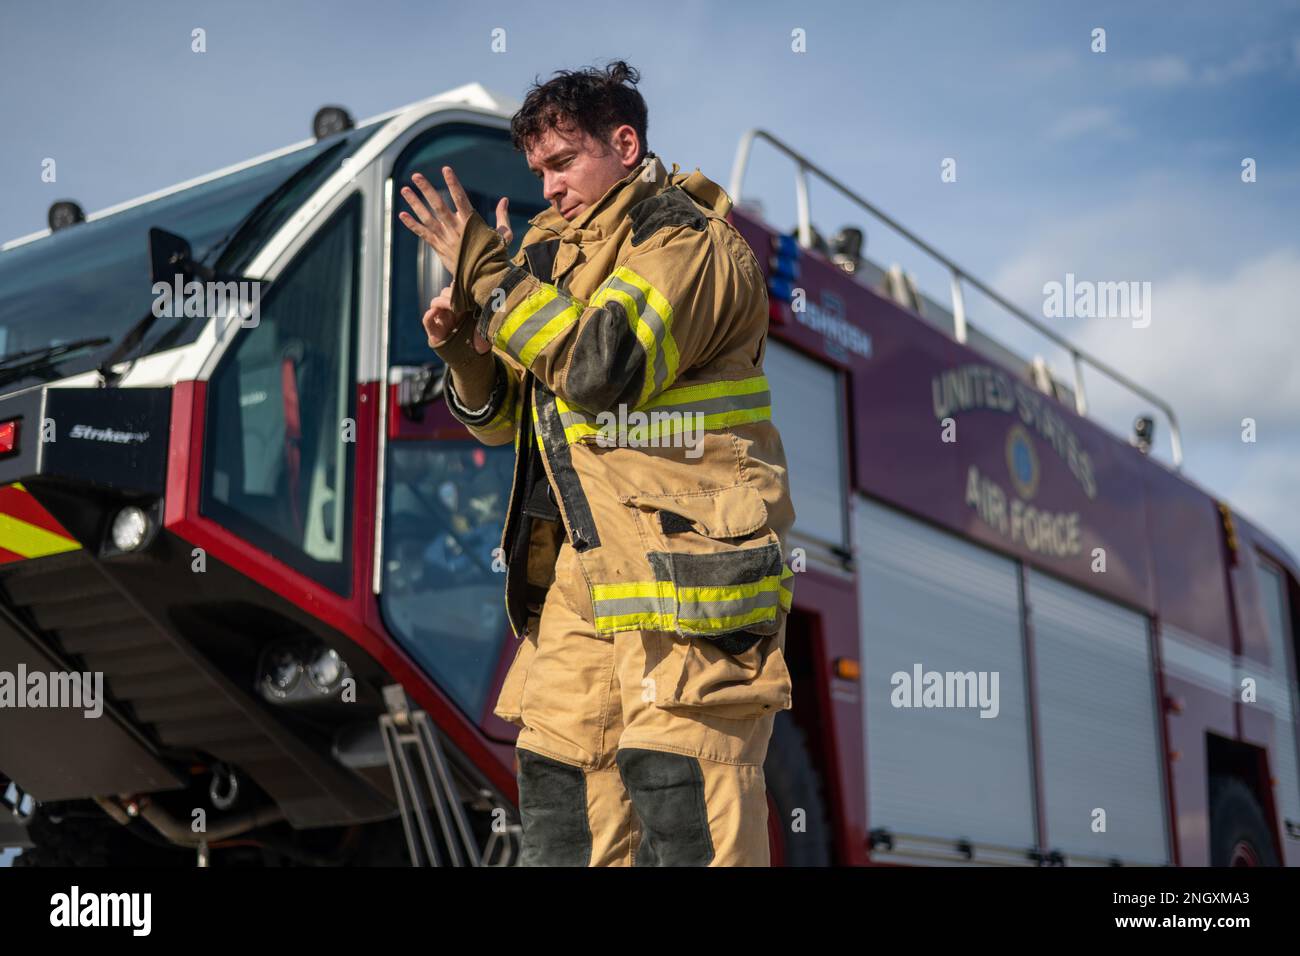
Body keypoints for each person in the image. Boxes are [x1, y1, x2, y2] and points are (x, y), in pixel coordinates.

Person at [397, 60, 795, 866]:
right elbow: (504, 420)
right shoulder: (547, 261)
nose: (547, 187)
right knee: (562, 806)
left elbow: (601, 367)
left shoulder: (687, 241)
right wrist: (461, 344)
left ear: (625, 143)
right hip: (578, 582)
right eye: (537, 169)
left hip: (687, 568)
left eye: (563, 161)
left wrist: (488, 271)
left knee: (689, 805)